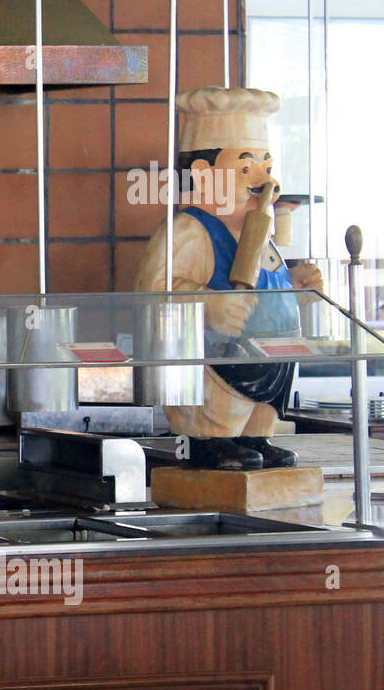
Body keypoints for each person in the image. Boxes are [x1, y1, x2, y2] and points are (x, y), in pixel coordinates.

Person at [134, 86, 324, 470]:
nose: (263, 178)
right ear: (204, 176)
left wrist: (296, 286)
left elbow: (266, 279)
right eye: (246, 167)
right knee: (218, 413)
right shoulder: (188, 231)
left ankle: (256, 438)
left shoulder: (258, 230)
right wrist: (209, 303)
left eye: (267, 167)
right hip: (218, 367)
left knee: (259, 418)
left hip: (272, 362)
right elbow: (154, 293)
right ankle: (211, 443)